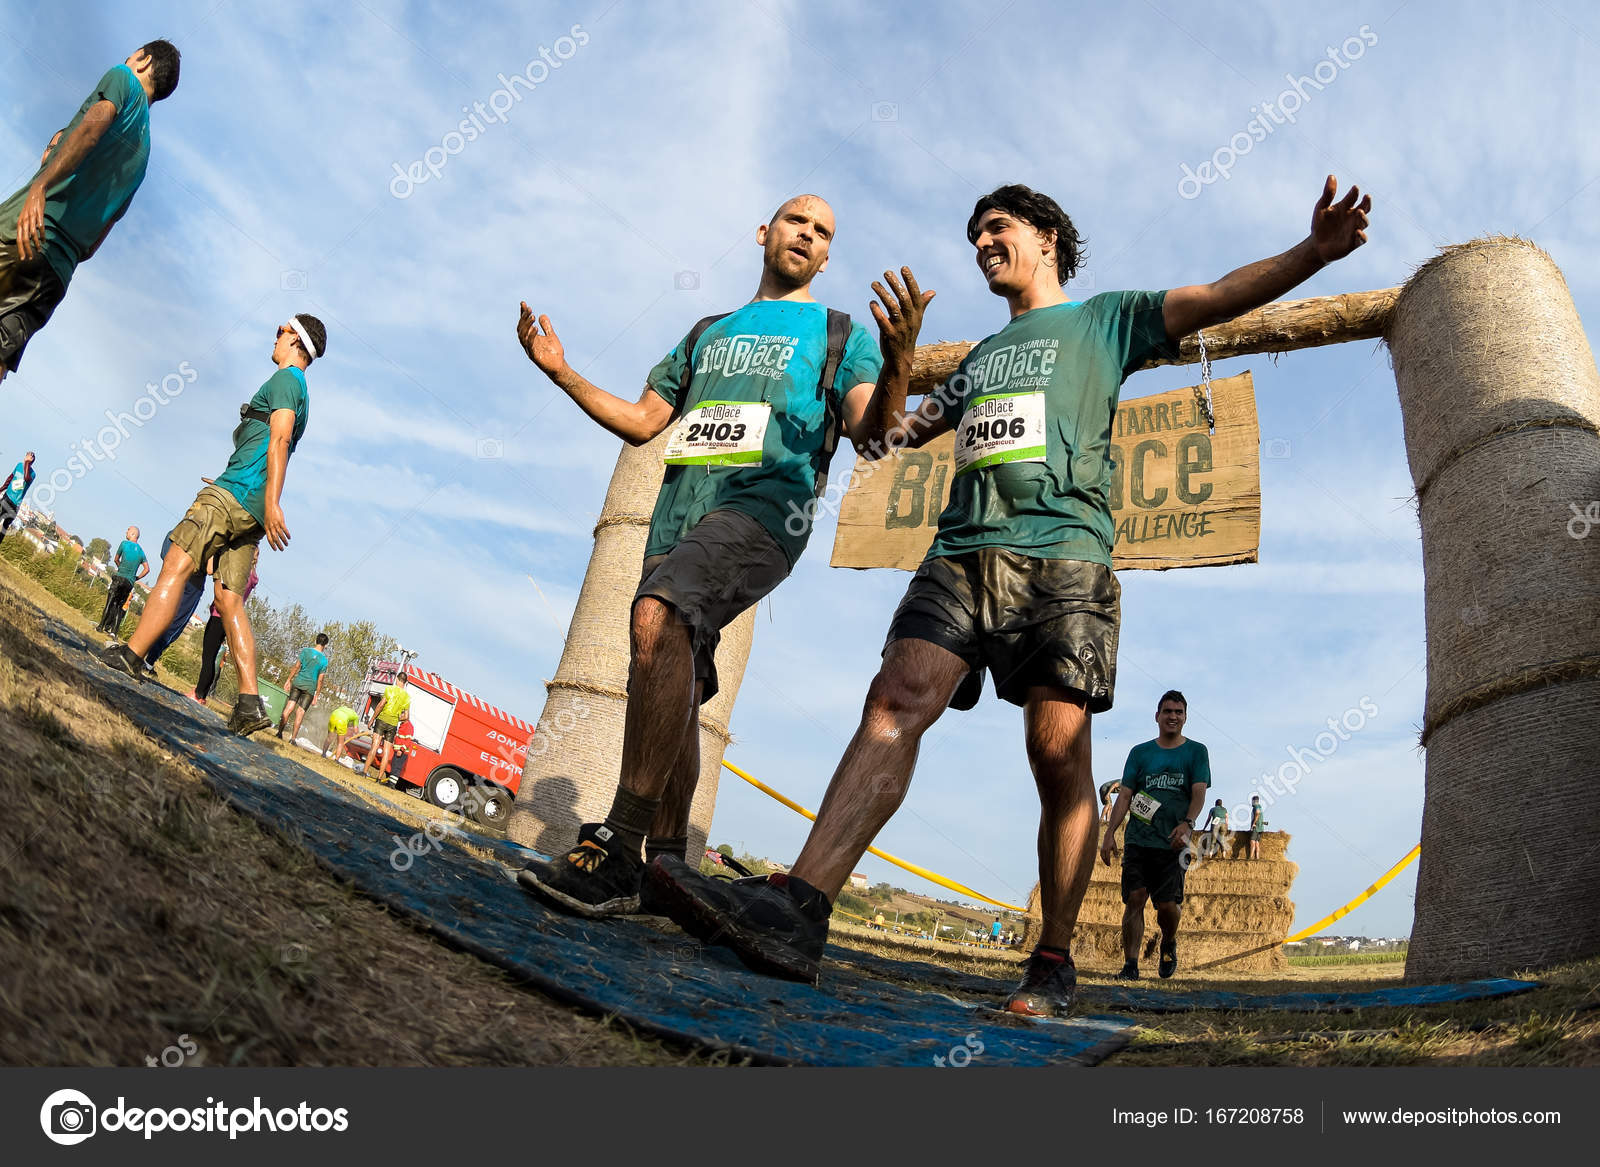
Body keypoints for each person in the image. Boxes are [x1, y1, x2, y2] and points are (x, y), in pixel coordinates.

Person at [646, 176, 1372, 1012]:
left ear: (1048, 237)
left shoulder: (1105, 318)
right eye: (975, 238)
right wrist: (903, 359)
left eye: (997, 229)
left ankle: (1054, 960)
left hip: (1063, 558)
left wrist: (1314, 251)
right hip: (958, 554)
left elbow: (1216, 294)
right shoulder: (984, 358)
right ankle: (799, 912)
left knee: (1057, 756)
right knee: (892, 701)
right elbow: (887, 436)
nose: (983, 245)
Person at [513, 194, 894, 918]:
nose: (807, 236)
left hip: (762, 512)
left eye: (822, 232)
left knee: (659, 615)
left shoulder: (842, 332)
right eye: (796, 221)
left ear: (826, 254)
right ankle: (666, 873)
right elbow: (641, 421)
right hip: (675, 523)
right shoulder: (706, 331)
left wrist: (900, 358)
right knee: (673, 675)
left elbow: (870, 431)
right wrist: (561, 371)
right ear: (763, 232)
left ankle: (619, 846)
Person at [98, 314, 325, 741]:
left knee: (176, 564)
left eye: (281, 330)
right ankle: (247, 704)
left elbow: (278, 439)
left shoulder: (286, 379)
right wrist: (261, 501)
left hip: (236, 496)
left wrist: (269, 500)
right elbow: (266, 443)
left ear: (296, 340)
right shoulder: (304, 392)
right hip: (249, 507)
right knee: (230, 600)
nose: (274, 335)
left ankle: (131, 656)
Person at [0, 42, 180, 385]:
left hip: (23, 233)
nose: (128, 58)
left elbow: (91, 129)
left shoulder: (123, 79)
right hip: (56, 274)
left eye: (133, 54)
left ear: (143, 61)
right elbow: (94, 244)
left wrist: (42, 185)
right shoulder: (143, 158)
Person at [1101, 691, 1211, 979]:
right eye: (1167, 711)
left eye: (1178, 712)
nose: (1172, 716)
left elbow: (1199, 792)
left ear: (1185, 717)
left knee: (1167, 906)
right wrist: (1110, 832)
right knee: (1134, 898)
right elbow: (1125, 795)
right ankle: (1130, 964)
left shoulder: (1196, 751)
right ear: (1157, 716)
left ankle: (1169, 941)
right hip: (1138, 838)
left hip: (1173, 841)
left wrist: (1188, 823)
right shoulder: (1140, 753)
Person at [190, 548, 258, 703]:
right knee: (213, 658)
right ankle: (203, 694)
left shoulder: (238, 574)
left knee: (208, 657)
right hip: (230, 619)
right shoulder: (252, 576)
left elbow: (219, 583)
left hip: (218, 616)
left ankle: (198, 694)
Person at [96, 525, 148, 636]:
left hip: (119, 577)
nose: (126, 532)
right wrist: (136, 578)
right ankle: (113, 632)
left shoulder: (124, 544)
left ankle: (101, 626)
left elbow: (116, 559)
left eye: (128, 530)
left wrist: (120, 567)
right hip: (129, 582)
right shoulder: (141, 552)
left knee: (110, 603)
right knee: (120, 607)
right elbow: (147, 569)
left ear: (133, 534)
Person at [277, 632, 330, 741]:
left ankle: (279, 732)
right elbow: (320, 680)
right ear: (326, 645)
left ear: (316, 641)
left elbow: (296, 666)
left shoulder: (305, 651)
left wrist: (288, 679)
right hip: (310, 688)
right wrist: (317, 694)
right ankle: (293, 739)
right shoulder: (324, 660)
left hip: (298, 682)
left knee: (289, 707)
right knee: (300, 712)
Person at [362, 671, 411, 779]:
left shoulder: (389, 689)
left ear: (397, 679)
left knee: (374, 746)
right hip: (392, 725)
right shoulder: (407, 697)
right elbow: (406, 716)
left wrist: (372, 719)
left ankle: (364, 772)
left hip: (382, 720)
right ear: (405, 682)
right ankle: (379, 778)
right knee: (386, 751)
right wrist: (396, 718)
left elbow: (380, 705)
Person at [0, 451, 35, 542]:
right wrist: (1, 489)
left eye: (29, 459)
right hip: (7, 497)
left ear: (31, 461)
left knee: (5, 526)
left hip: (15, 505)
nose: (27, 459)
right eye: (26, 457)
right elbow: (10, 478)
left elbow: (26, 478)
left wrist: (27, 462)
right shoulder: (19, 465)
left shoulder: (32, 474)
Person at [1249, 794, 1266, 860]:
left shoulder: (1256, 806)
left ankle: (1251, 857)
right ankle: (1257, 857)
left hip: (1256, 827)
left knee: (1252, 841)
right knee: (1257, 842)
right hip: (1260, 827)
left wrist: (1253, 823)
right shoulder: (1260, 806)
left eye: (1252, 801)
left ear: (1254, 801)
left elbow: (1257, 813)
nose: (1251, 802)